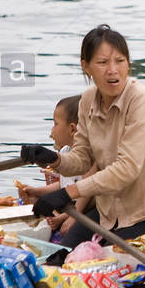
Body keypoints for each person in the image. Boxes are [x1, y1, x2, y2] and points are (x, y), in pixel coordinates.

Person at [18, 25, 145, 254]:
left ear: (128, 64)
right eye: (102, 63)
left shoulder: (140, 99)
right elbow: (83, 158)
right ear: (86, 66)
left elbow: (127, 168)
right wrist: (53, 159)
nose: (112, 71)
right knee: (59, 258)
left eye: (120, 61)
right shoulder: (88, 100)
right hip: (108, 212)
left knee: (100, 263)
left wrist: (67, 193)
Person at [40, 95, 94, 242]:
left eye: (56, 124)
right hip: (68, 208)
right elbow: (64, 184)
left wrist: (68, 218)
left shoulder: (88, 156)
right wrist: (37, 192)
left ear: (72, 129)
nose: (52, 130)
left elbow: (86, 192)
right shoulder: (65, 152)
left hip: (80, 210)